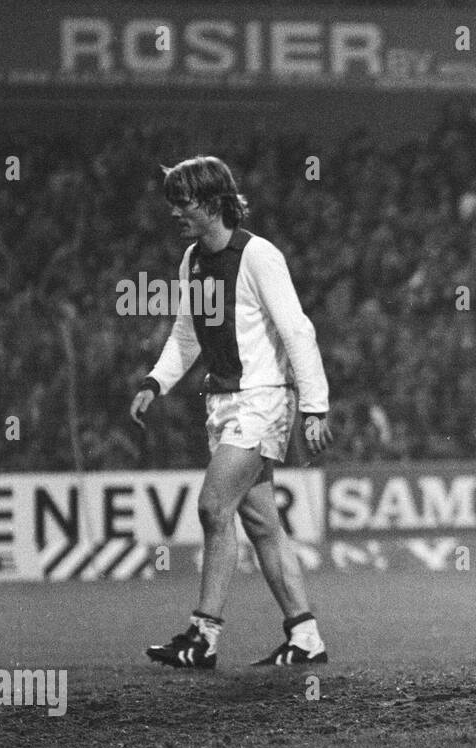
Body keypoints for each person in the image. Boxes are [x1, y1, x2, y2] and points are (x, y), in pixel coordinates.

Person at [130, 156, 333, 668]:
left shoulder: (259, 256)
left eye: (185, 201)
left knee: (213, 505)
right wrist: (156, 382)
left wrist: (315, 406)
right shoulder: (192, 260)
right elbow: (185, 335)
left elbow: (297, 329)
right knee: (262, 524)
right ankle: (305, 635)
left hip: (261, 399)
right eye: (172, 201)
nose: (175, 211)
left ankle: (203, 636)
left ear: (216, 202)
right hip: (222, 403)